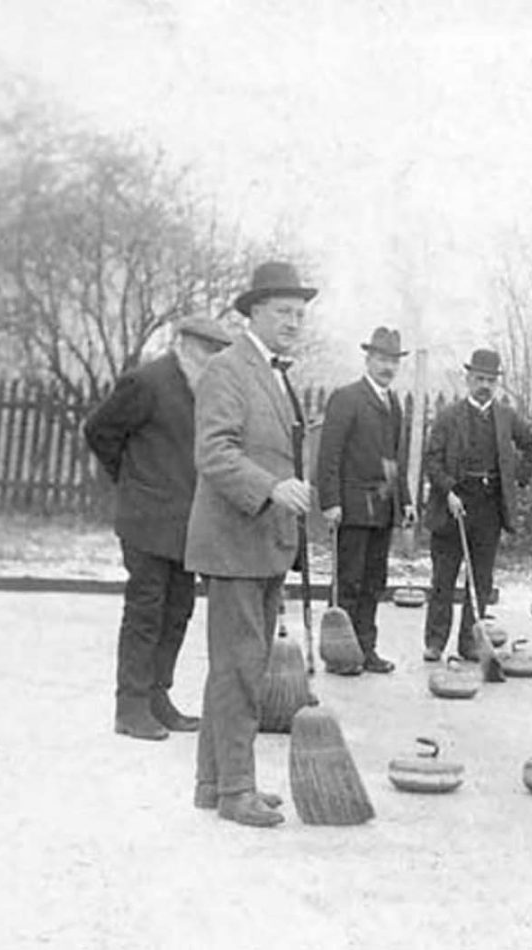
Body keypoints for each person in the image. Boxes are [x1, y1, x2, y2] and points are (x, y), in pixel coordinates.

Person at [186, 261, 316, 828]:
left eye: (300, 314)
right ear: (254, 313)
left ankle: (215, 784)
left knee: (241, 666)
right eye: (283, 312)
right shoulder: (228, 368)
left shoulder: (277, 375)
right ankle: (236, 790)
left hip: (263, 540)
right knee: (239, 668)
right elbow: (214, 452)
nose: (294, 322)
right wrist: (271, 488)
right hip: (236, 542)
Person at [85, 317, 233, 740]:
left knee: (178, 611)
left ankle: (158, 697)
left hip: (190, 525)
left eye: (219, 351)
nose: (212, 358)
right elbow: (99, 430)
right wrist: (131, 479)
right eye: (205, 349)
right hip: (147, 521)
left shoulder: (210, 390)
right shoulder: (146, 382)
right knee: (145, 612)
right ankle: (130, 707)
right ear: (183, 344)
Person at [422, 348, 532, 662]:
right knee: (443, 579)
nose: (484, 385)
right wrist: (447, 490)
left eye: (490, 380)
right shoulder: (449, 416)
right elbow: (431, 459)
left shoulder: (505, 416)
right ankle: (435, 642)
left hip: (489, 506)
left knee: (481, 579)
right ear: (468, 379)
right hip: (454, 504)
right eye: (479, 379)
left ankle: (469, 641)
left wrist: (517, 480)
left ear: (496, 382)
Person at [317, 327, 416, 674]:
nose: (387, 367)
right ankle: (341, 654)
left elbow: (395, 460)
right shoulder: (347, 398)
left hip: (383, 507)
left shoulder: (393, 405)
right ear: (368, 360)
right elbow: (329, 454)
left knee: (375, 582)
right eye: (381, 359)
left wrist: (404, 500)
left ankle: (366, 649)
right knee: (350, 581)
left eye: (393, 360)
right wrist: (330, 501)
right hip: (353, 506)